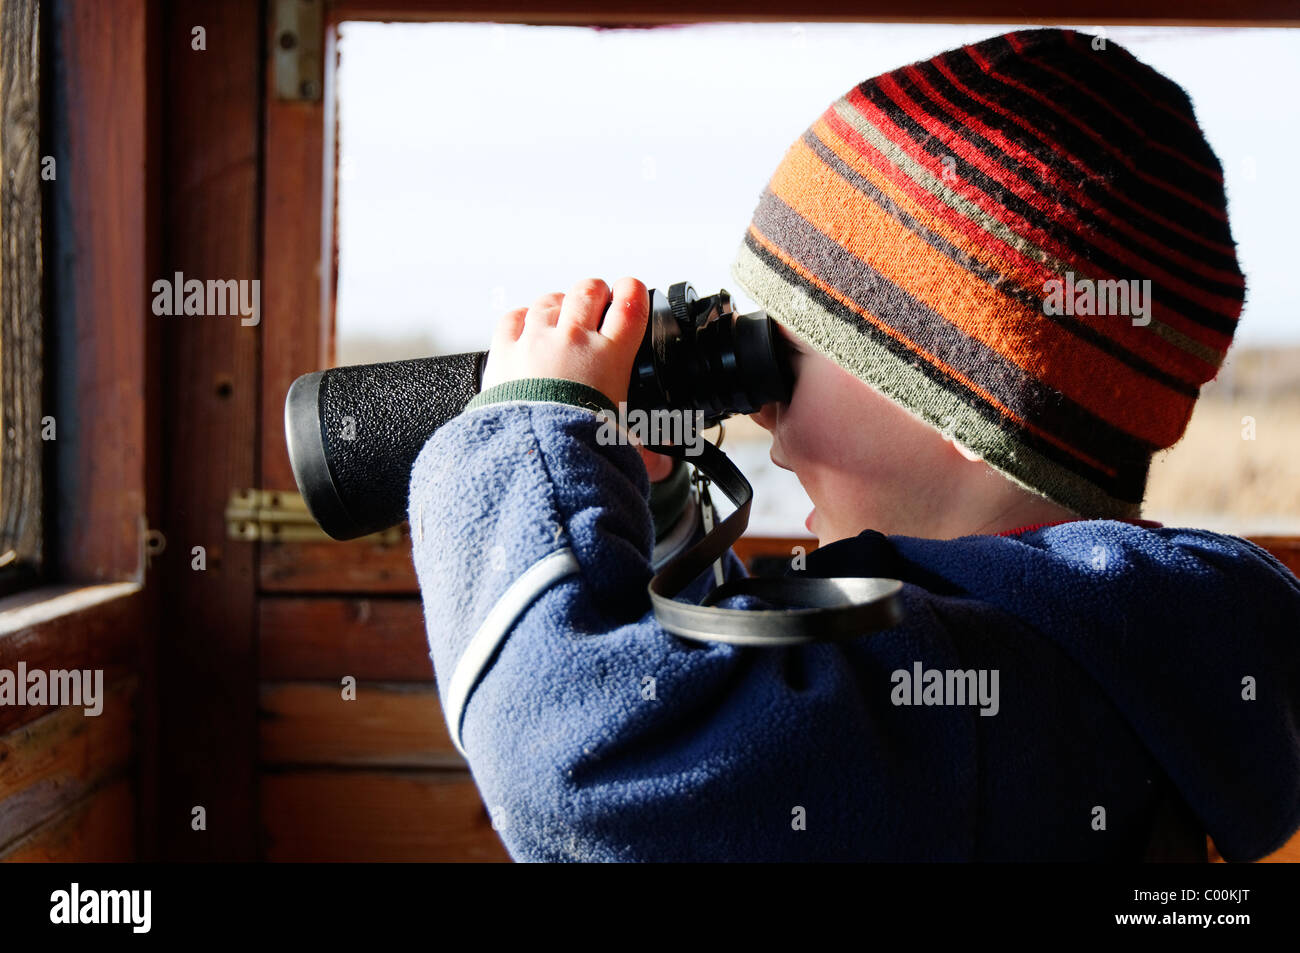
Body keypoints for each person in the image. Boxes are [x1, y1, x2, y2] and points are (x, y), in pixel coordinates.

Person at [408, 27, 1300, 861]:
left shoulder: (967, 692)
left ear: (970, 403)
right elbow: (756, 696)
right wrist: (660, 507)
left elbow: (578, 753)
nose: (763, 414)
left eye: (786, 357)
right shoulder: (1102, 638)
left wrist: (526, 430)